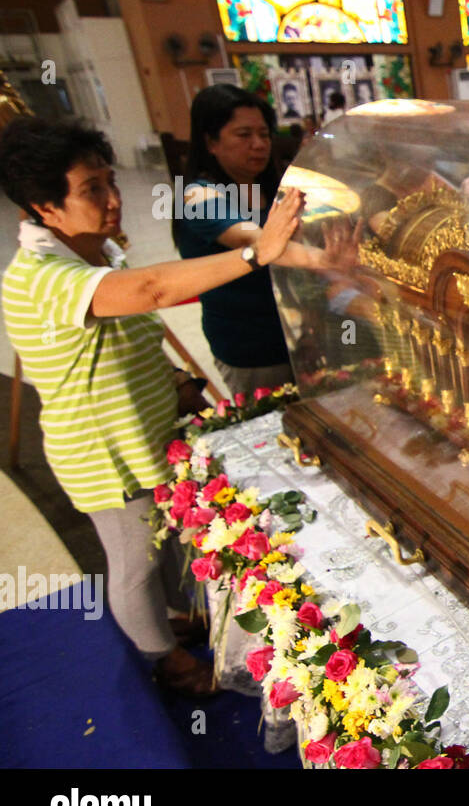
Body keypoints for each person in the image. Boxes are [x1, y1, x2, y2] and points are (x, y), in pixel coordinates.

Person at [0, 116, 306, 696]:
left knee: (161, 541)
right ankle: (161, 659)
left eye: (111, 182)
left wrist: (175, 379)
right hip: (102, 452)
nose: (114, 200)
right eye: (92, 190)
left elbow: (125, 334)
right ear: (45, 208)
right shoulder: (42, 275)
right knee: (134, 559)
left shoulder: (94, 252)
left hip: (143, 432)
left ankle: (169, 619)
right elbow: (150, 291)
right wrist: (255, 254)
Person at [175, 84, 355, 397]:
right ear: (210, 142)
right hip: (250, 346)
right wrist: (324, 260)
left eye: (264, 134)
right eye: (244, 135)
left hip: (297, 336)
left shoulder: (271, 187)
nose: (259, 145)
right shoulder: (198, 195)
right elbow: (260, 242)